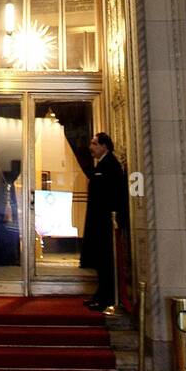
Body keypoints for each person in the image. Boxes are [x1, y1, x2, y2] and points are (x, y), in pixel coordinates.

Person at [80, 131, 127, 311]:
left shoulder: (111, 165)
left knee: (106, 261)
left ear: (104, 146)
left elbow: (113, 195)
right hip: (99, 221)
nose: (91, 147)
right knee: (101, 261)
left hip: (105, 223)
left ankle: (106, 298)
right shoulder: (102, 164)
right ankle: (101, 295)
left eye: (94, 144)